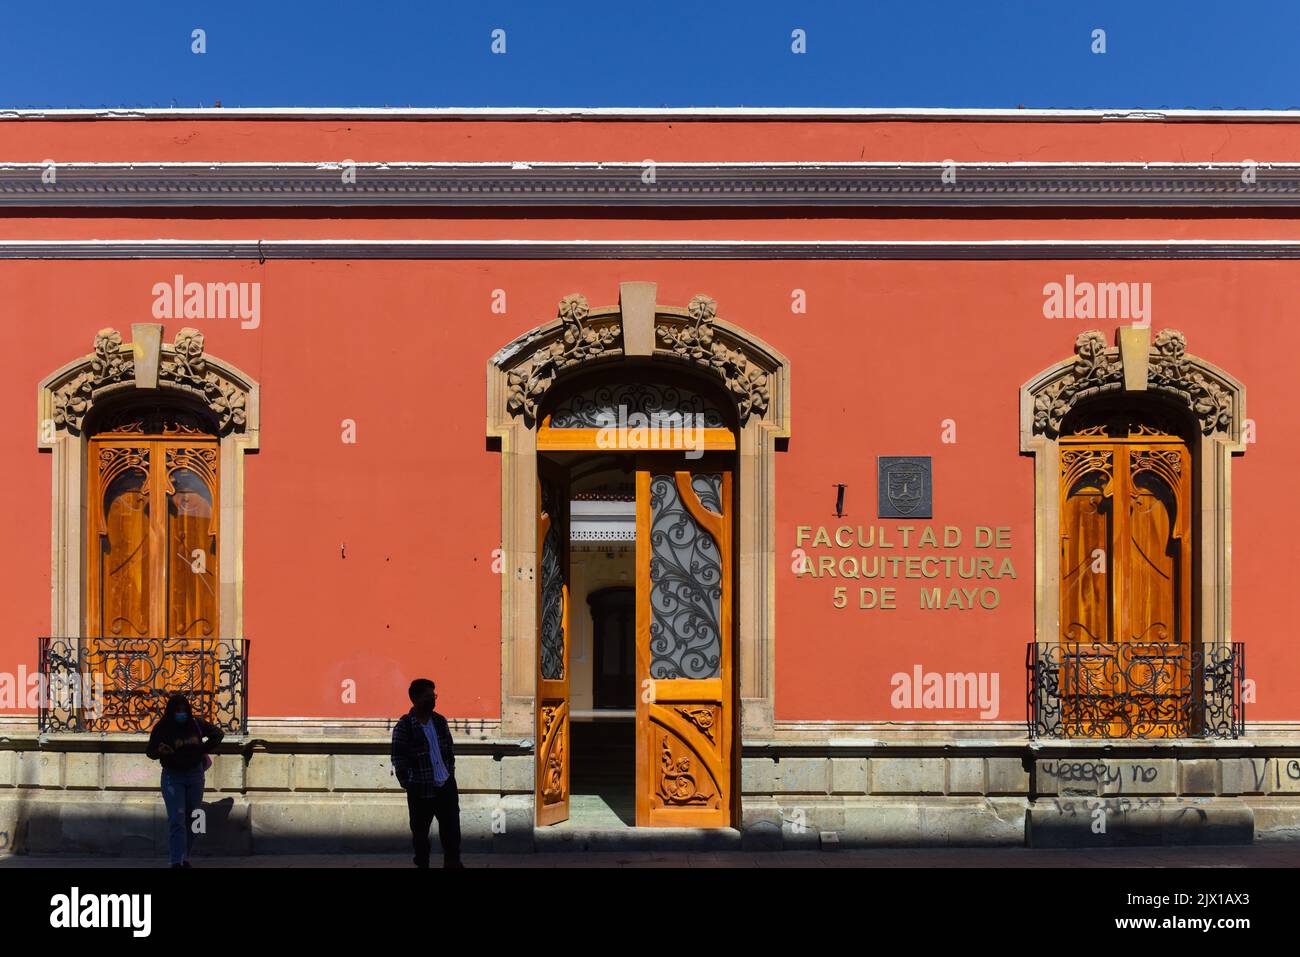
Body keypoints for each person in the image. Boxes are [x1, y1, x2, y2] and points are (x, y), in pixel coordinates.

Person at [145, 692, 223, 868]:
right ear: (171, 712)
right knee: (176, 819)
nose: (181, 714)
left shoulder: (196, 724)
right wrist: (160, 751)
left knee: (195, 816)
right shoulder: (162, 727)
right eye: (177, 711)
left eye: (184, 710)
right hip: (173, 776)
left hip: (195, 775)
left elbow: (218, 734)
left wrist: (200, 749)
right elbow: (150, 751)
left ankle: (186, 856)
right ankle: (176, 861)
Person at [391, 678, 464, 868]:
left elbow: (449, 750)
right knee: (421, 834)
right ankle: (422, 864)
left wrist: (450, 774)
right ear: (415, 699)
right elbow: (398, 758)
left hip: (445, 785)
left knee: (451, 831)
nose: (432, 700)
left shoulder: (440, 721)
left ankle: (453, 863)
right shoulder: (405, 726)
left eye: (434, 696)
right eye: (428, 697)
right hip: (420, 788)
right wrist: (409, 782)